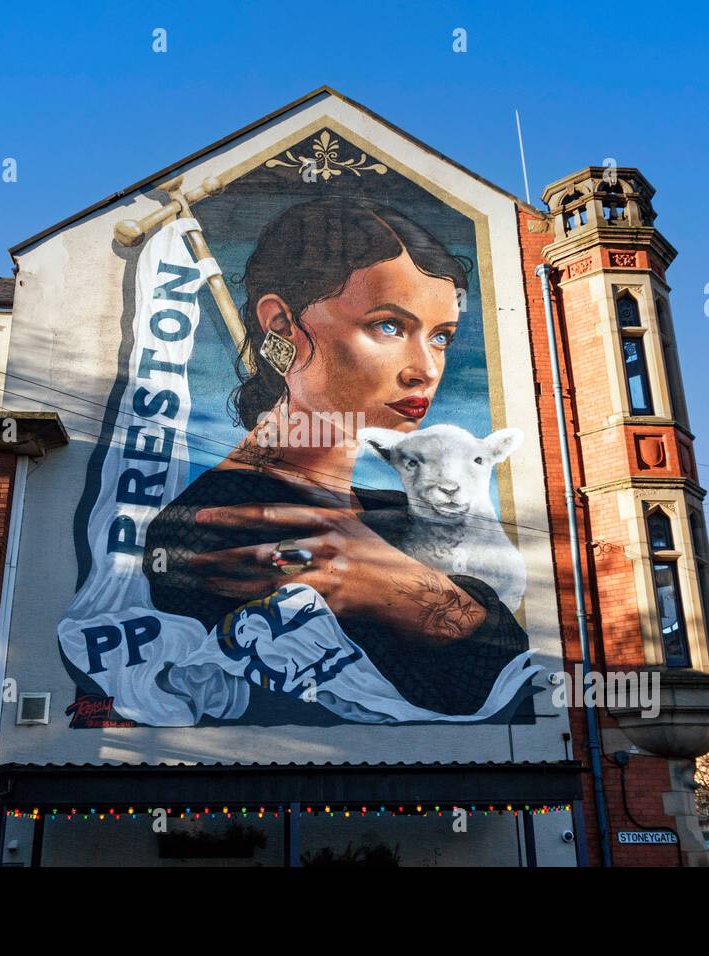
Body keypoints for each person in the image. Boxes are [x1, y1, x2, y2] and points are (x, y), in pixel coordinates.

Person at [143, 197, 532, 718]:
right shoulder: (216, 521)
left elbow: (510, 675)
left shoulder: (391, 507)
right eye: (389, 326)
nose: (425, 369)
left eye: (440, 337)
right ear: (281, 325)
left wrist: (398, 588)